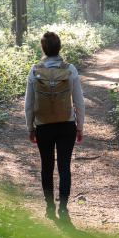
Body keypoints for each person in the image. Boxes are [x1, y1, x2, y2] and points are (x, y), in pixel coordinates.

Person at [24, 31, 86, 221]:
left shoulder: (35, 70)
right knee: (64, 167)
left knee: (47, 166)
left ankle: (50, 207)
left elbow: (29, 104)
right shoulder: (70, 69)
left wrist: (31, 128)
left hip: (43, 126)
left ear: (42, 49)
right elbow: (79, 102)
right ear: (60, 47)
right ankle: (64, 208)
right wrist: (80, 127)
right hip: (66, 125)